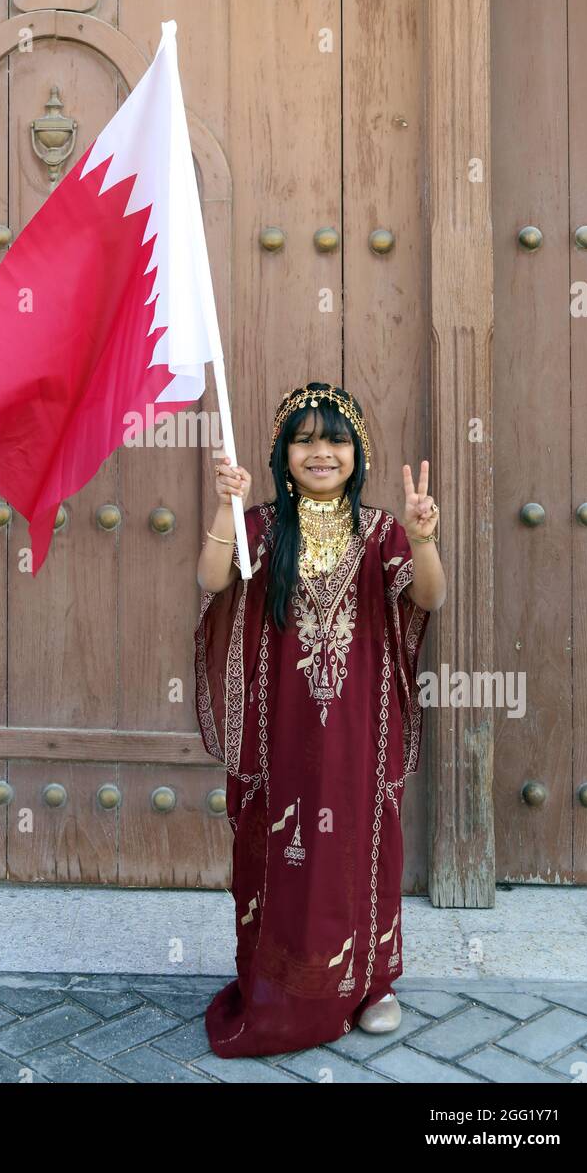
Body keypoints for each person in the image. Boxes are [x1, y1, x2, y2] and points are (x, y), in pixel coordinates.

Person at [193, 382, 446, 1059]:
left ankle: (372, 986)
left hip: (362, 726)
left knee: (363, 846)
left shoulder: (383, 530)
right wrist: (224, 505)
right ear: (283, 453)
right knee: (286, 845)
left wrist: (423, 542)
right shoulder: (262, 527)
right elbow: (213, 579)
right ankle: (277, 980)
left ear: (356, 452)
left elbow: (429, 595)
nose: (321, 451)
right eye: (304, 439)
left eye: (334, 438)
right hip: (282, 729)